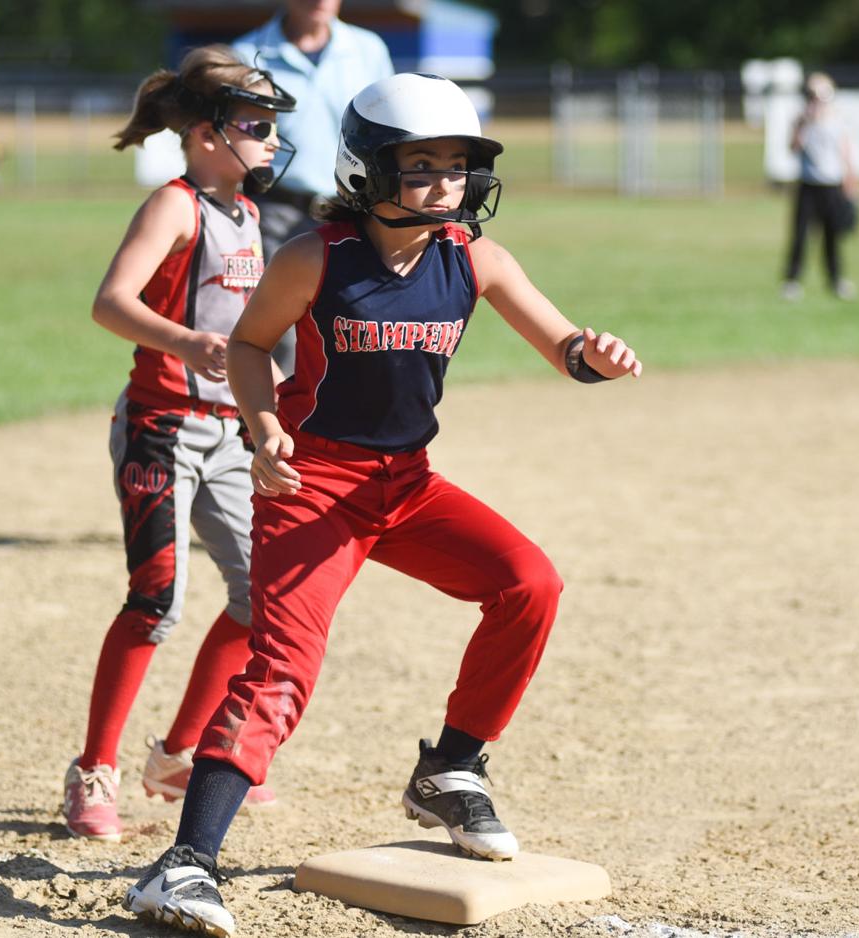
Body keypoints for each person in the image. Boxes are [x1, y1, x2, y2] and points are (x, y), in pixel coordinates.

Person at [122, 73, 642, 936]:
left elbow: (565, 348)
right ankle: (183, 865)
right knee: (283, 670)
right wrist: (260, 430)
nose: (446, 181)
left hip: (406, 482)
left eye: (459, 166)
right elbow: (252, 347)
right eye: (423, 163)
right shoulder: (317, 256)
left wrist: (598, 353)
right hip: (314, 484)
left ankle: (451, 769)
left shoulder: (475, 259)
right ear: (369, 169)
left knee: (528, 584)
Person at [61, 45, 297, 843]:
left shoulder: (251, 213)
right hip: (160, 428)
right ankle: (95, 769)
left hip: (229, 433)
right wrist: (184, 342)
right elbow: (110, 302)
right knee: (157, 600)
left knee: (259, 595)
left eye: (272, 126)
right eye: (255, 126)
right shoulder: (175, 204)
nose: (269, 140)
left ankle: (179, 754)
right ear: (205, 135)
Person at [233, 0, 394, 372]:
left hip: (357, 211)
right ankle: (273, 426)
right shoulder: (247, 53)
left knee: (358, 322)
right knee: (281, 330)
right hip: (277, 210)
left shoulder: (368, 50)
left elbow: (390, 132)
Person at [781, 72, 859, 301]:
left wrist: (851, 182)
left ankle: (835, 280)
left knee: (832, 236)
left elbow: (846, 153)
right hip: (808, 184)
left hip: (832, 184)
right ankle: (792, 280)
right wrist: (804, 124)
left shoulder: (837, 120)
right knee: (800, 235)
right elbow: (793, 148)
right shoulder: (801, 119)